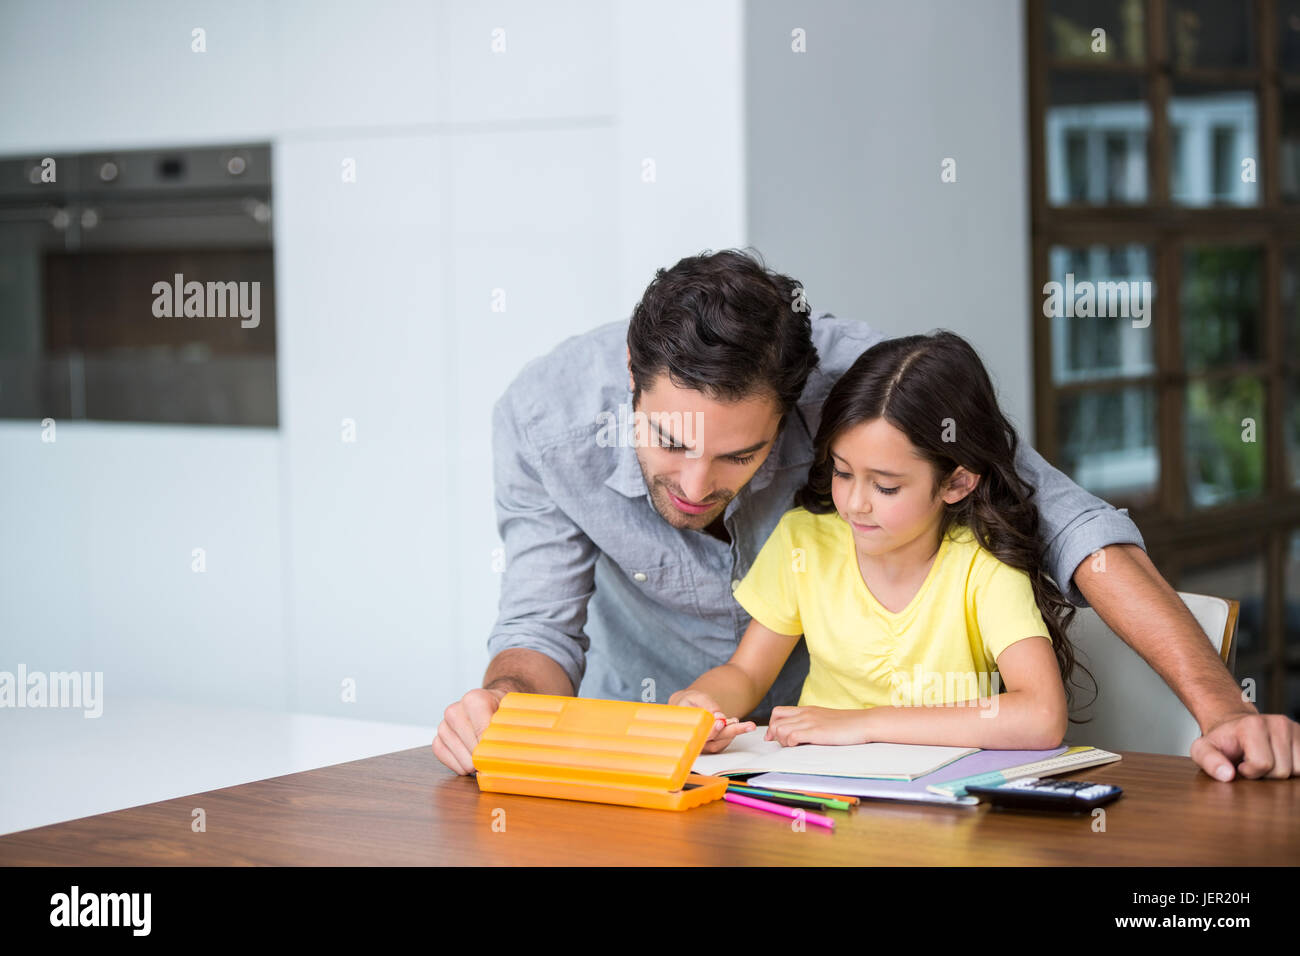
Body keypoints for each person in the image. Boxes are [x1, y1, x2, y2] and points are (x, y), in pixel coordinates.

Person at [433, 249, 1298, 781]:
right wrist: (500, 705)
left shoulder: (864, 387)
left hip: (855, 777)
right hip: (671, 759)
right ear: (632, 373)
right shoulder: (542, 420)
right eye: (667, 441)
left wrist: (1222, 708)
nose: (695, 485)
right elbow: (538, 633)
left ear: (795, 406)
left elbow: (1067, 523)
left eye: (741, 455)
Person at [670, 331, 1074, 752]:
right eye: (842, 473)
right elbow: (746, 674)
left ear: (956, 482)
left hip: (943, 799)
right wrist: (704, 705)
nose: (854, 504)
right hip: (820, 792)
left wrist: (864, 724)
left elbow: (1042, 717)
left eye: (885, 487)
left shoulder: (982, 563)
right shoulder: (804, 542)